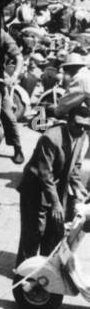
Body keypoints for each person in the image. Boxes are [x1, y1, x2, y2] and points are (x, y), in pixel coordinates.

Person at [17, 100, 90, 264]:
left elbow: (75, 164)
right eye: (79, 125)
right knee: (33, 235)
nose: (83, 129)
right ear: (68, 121)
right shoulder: (50, 138)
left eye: (87, 127)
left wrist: (77, 185)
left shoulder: (81, 134)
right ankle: (22, 277)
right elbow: (45, 173)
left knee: (53, 234)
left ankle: (43, 272)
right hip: (35, 190)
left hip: (54, 189)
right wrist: (56, 204)